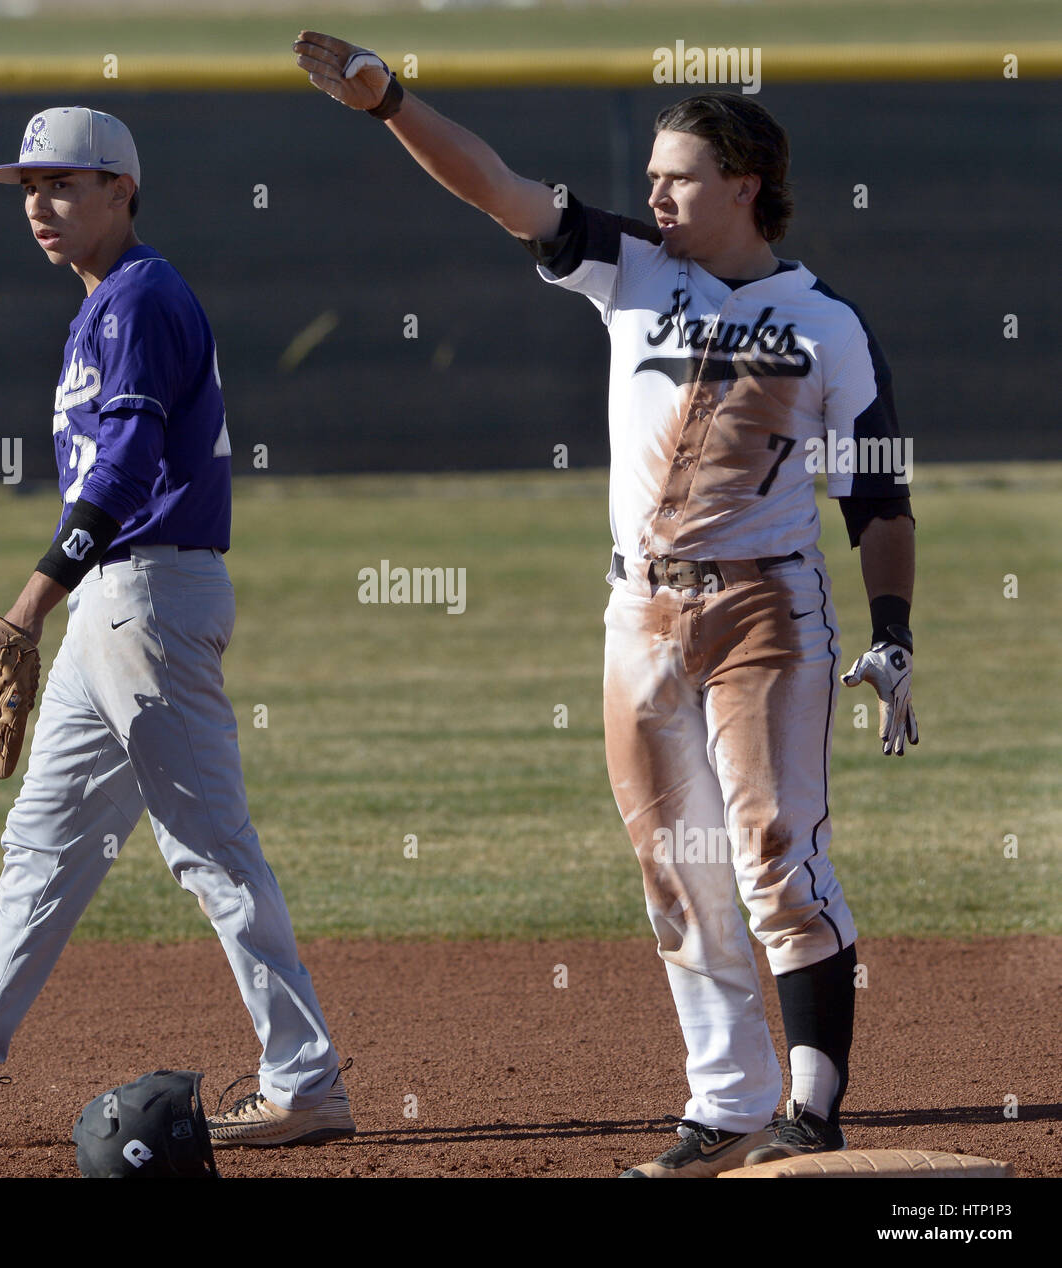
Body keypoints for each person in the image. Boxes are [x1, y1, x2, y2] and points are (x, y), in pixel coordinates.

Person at [292, 33, 916, 1177]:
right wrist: (389, 102)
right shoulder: (630, 266)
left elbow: (876, 496)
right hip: (638, 621)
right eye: (649, 179)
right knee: (676, 862)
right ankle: (723, 1101)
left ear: (743, 183)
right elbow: (496, 189)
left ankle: (812, 1106)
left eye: (677, 176)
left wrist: (893, 633)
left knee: (776, 848)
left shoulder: (826, 322)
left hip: (764, 614)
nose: (653, 194)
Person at [0, 106, 354, 1151]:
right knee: (44, 847)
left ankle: (304, 1079)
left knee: (212, 851)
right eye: (28, 187)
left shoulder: (143, 295)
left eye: (64, 183)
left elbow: (128, 464)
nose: (40, 205)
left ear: (123, 191)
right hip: (118, 606)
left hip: (146, 599)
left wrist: (26, 603)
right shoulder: (105, 305)